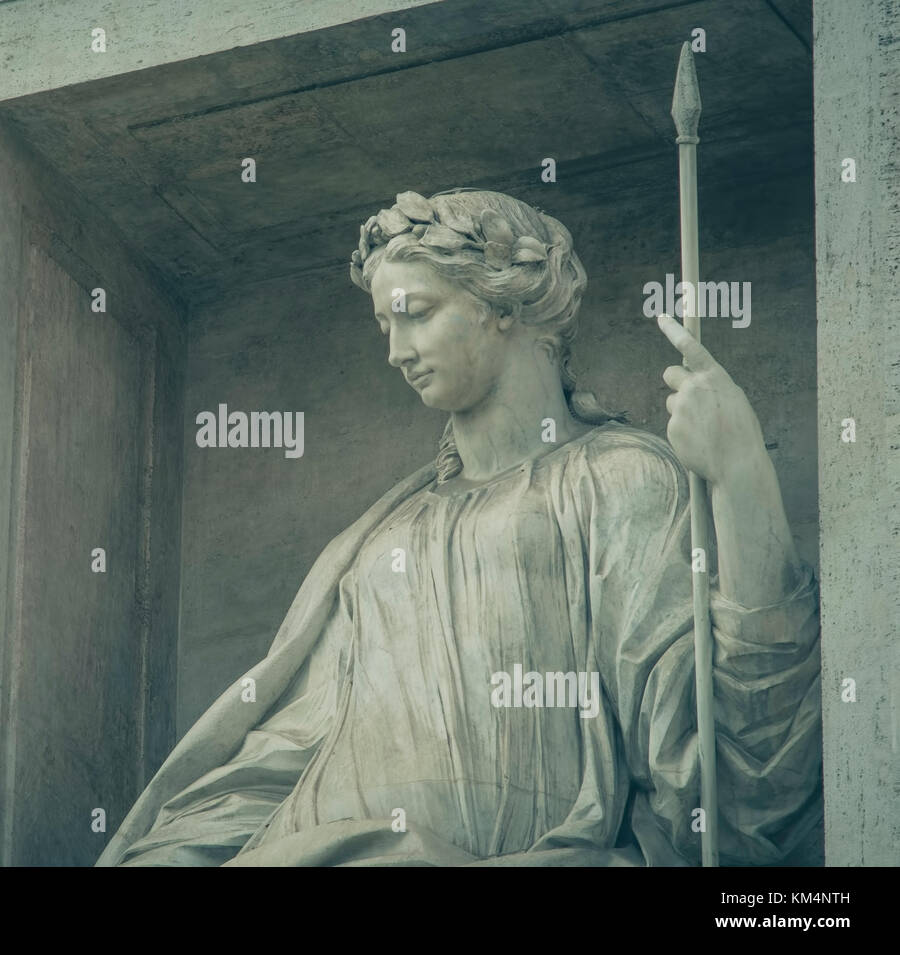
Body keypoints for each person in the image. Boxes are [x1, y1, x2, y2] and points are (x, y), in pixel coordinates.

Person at [96, 188, 822, 866]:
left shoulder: (618, 479)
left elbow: (727, 779)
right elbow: (292, 746)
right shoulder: (383, 536)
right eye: (385, 324)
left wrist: (740, 481)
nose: (395, 350)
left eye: (414, 312)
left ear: (500, 304)